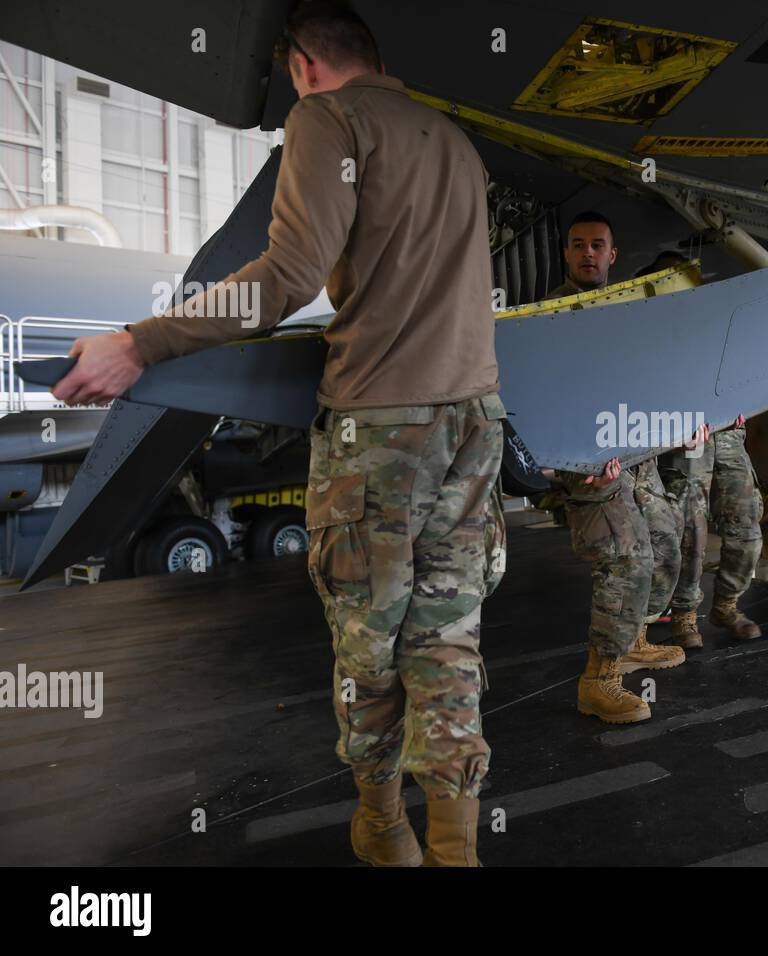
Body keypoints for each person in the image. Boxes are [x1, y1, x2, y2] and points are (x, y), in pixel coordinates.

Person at [51, 0, 502, 867]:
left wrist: (142, 343)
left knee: (367, 645)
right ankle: (457, 850)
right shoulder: (453, 141)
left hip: (380, 429)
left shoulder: (325, 119)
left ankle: (382, 828)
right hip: (473, 421)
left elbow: (285, 278)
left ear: (301, 64)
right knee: (447, 637)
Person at [545, 214, 687, 723]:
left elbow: (649, 378)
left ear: (612, 253)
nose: (587, 253)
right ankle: (597, 680)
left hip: (635, 451)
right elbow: (544, 396)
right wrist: (568, 456)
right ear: (567, 254)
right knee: (627, 560)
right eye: (578, 244)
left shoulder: (627, 310)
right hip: (589, 459)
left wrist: (698, 419)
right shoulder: (552, 316)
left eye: (596, 245)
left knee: (667, 544)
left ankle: (633, 641)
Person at [642, 253, 766, 648]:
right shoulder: (652, 339)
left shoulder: (719, 328)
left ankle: (727, 605)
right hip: (685, 440)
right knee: (690, 532)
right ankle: (684, 616)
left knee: (746, 523)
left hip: (727, 435)